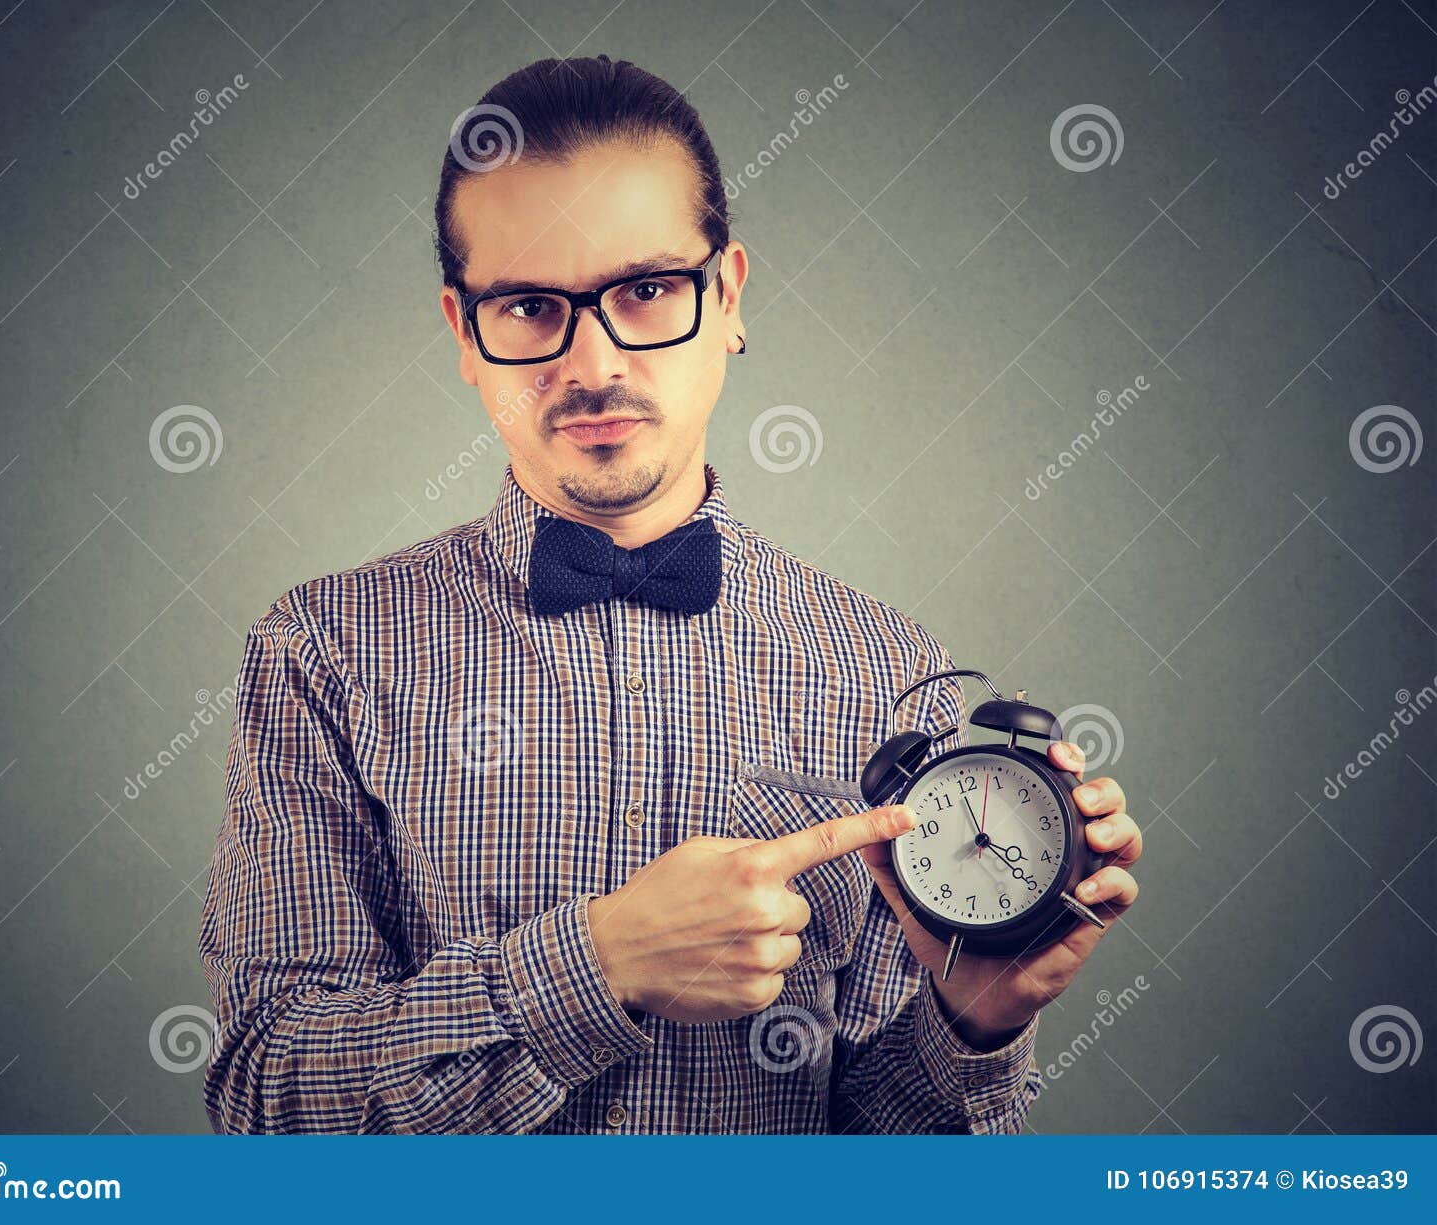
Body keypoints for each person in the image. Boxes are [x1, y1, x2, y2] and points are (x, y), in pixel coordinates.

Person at [198, 54, 1143, 1134]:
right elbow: (265, 1102)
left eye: (645, 290)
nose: (593, 362)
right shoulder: (319, 649)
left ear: (727, 296)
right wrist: (597, 966)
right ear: (466, 334)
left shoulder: (888, 670)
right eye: (527, 307)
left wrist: (973, 1019)